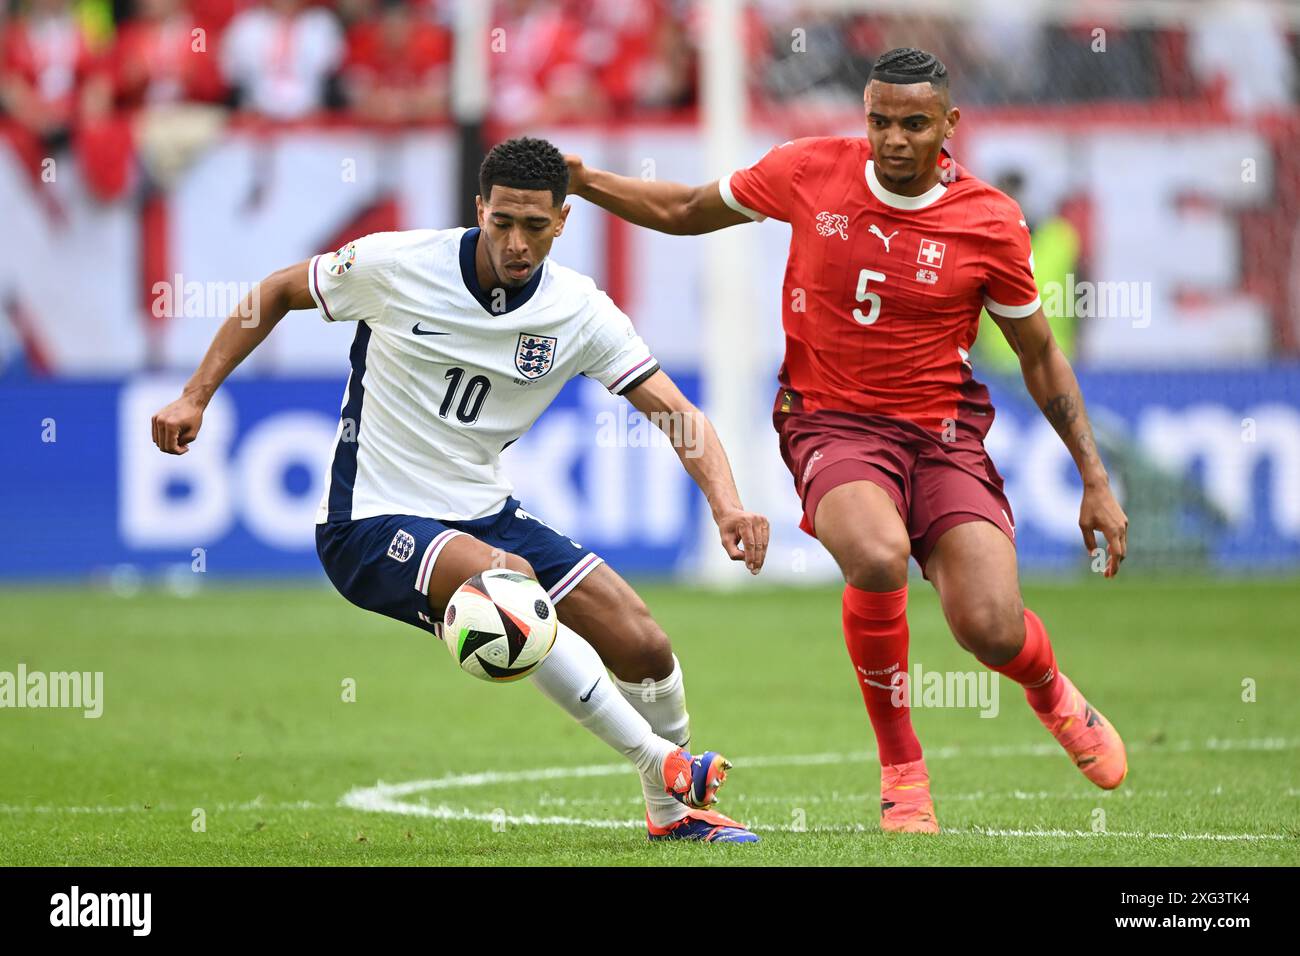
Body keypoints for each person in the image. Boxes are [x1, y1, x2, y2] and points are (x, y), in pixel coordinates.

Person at [564, 48, 1130, 833]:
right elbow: (688, 207)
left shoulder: (990, 220)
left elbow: (1039, 355)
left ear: (949, 124)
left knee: (991, 627)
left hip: (944, 436)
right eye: (879, 121)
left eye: (914, 124)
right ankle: (903, 769)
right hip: (829, 422)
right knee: (876, 554)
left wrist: (1094, 480)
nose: (893, 139)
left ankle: (1051, 690)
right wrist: (586, 180)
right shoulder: (809, 171)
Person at [150, 136, 769, 844]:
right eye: (501, 221)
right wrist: (196, 395)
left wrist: (727, 503)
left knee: (644, 644)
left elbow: (676, 413)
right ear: (479, 209)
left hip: (484, 512)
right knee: (508, 586)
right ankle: (662, 762)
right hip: (369, 521)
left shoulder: (579, 311)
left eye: (534, 225)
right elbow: (277, 291)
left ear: (563, 221)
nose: (516, 242)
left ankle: (673, 813)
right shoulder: (398, 265)